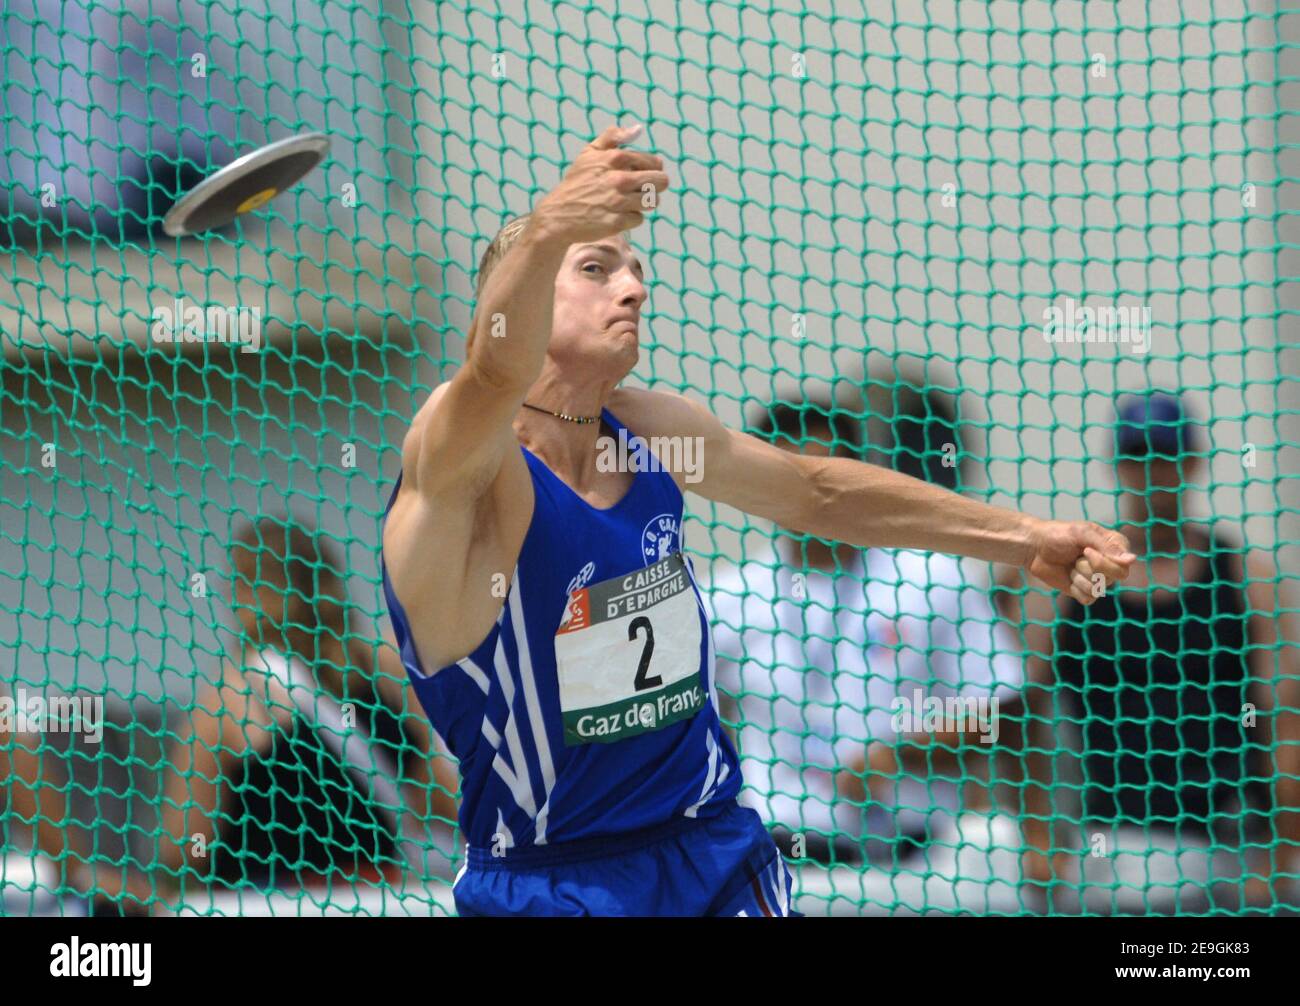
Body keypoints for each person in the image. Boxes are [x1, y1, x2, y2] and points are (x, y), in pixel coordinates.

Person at [379, 122, 1134, 917]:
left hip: (710, 850)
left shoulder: (646, 431)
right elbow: (493, 367)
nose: (632, 289)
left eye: (634, 271)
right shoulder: (465, 461)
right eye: (596, 269)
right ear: (521, 294)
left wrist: (1026, 537)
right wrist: (552, 222)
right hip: (554, 879)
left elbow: (818, 494)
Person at [1005, 392, 1300, 913]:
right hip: (1104, 844)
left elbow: (1284, 721)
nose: (1152, 472)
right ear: (1118, 464)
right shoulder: (1072, 580)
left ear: (1192, 462)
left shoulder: (1244, 578)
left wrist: (1280, 850)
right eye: (1138, 456)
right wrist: (1038, 835)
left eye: (1165, 455)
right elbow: (1017, 710)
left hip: (1225, 846)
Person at [710, 393, 1022, 870]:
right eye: (787, 475)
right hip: (783, 864)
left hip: (916, 864)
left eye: (824, 472)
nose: (807, 493)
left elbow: (1000, 715)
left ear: (857, 475)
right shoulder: (728, 598)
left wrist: (903, 755)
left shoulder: (931, 578)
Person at [159, 516, 458, 893]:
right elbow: (433, 793)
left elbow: (184, 847)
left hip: (269, 899)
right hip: (375, 894)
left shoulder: (227, 702)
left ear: (245, 592)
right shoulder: (380, 666)